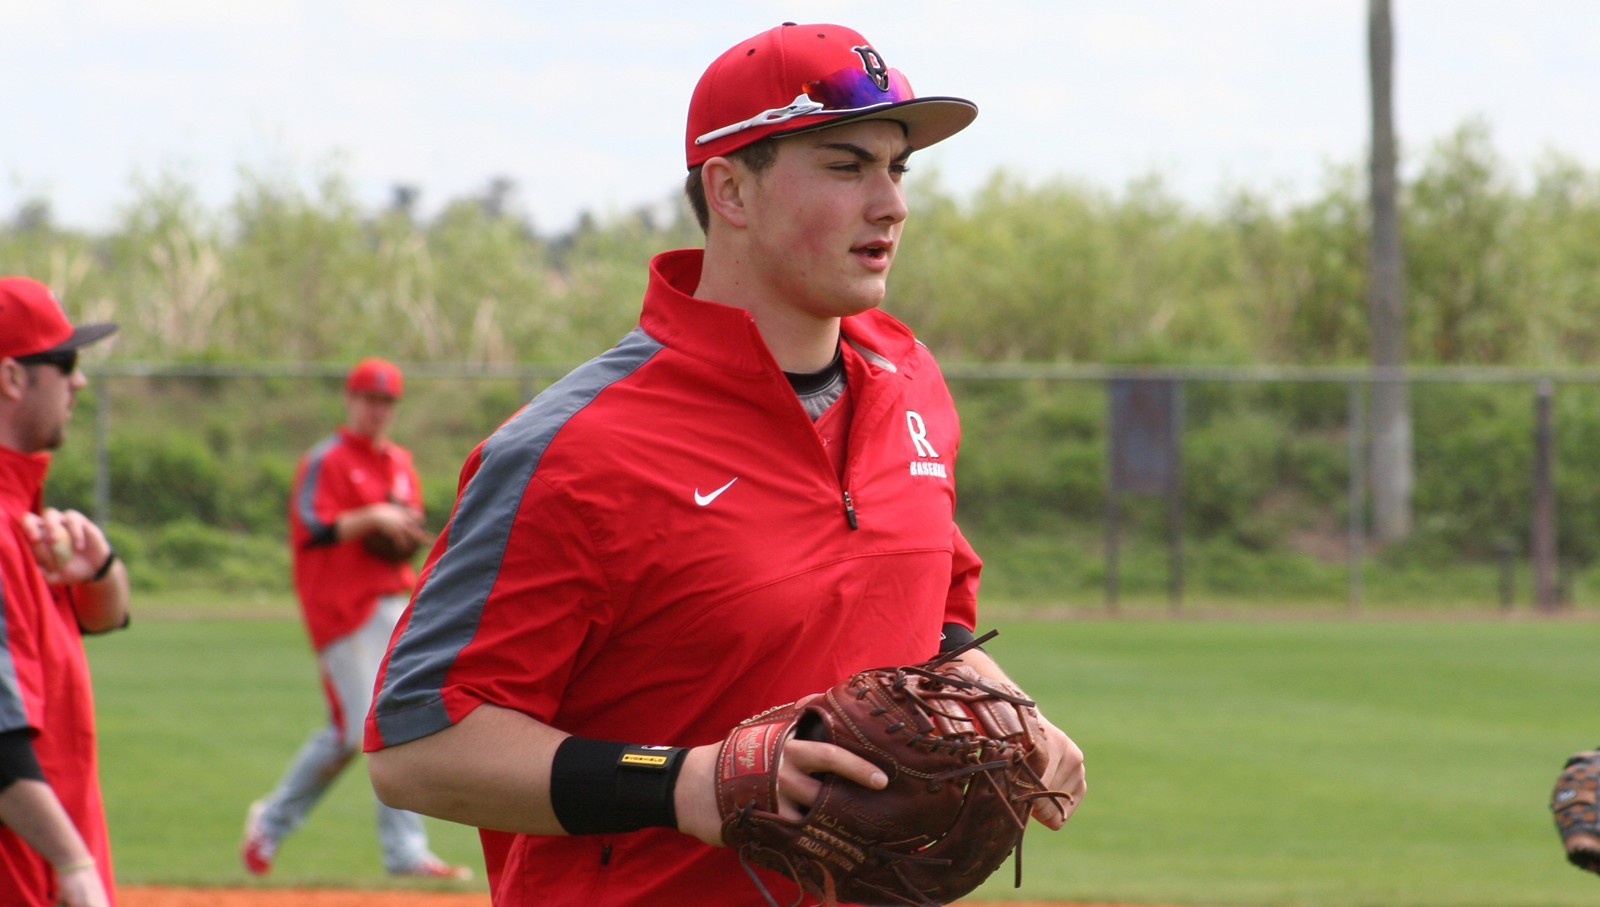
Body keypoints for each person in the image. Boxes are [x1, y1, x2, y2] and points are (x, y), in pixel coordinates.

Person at [364, 22, 1087, 905]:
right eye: (845, 164)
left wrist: (1005, 706)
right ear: (731, 189)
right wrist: (687, 782)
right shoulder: (576, 448)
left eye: (897, 169)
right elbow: (416, 745)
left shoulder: (913, 385)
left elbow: (926, 620)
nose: (890, 203)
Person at [240, 358, 470, 880]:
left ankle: (406, 854)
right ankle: (271, 822)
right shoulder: (327, 460)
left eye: (387, 402)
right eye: (369, 399)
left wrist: (396, 526)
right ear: (350, 401)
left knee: (402, 722)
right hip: (341, 608)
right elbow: (313, 527)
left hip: (396, 603)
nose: (377, 410)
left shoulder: (399, 461)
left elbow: (406, 529)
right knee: (351, 731)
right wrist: (374, 516)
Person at [0, 277, 131, 907]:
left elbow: (103, 619)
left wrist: (100, 569)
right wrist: (72, 864)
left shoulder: (21, 512)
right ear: (11, 377)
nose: (78, 382)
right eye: (65, 363)